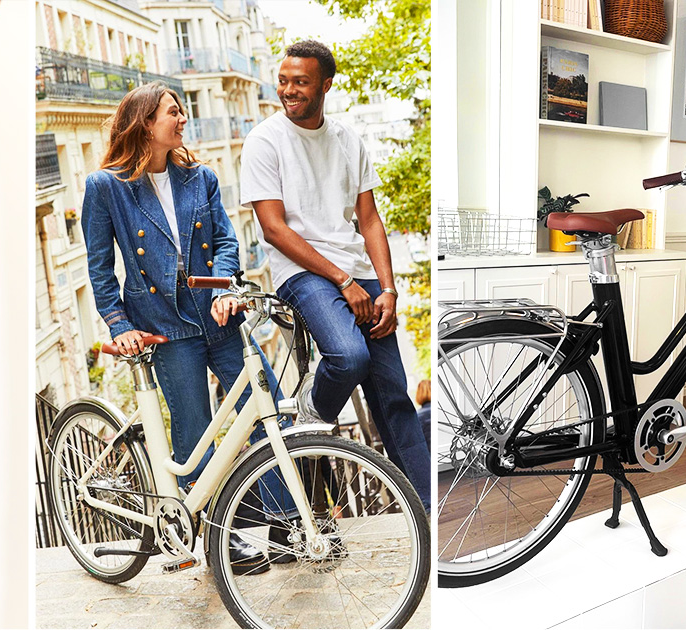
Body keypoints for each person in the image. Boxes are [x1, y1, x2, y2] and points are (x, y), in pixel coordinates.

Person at [82, 82, 291, 574]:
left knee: (271, 415)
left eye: (181, 111)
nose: (182, 119)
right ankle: (225, 540)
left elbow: (225, 241)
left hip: (221, 318)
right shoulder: (106, 186)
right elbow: (99, 266)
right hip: (165, 326)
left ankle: (288, 523)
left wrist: (223, 288)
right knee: (196, 433)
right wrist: (118, 322)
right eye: (173, 112)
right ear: (144, 123)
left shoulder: (201, 177)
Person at [240, 41, 432, 509]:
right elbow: (273, 229)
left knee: (394, 397)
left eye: (300, 82)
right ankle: (308, 416)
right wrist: (343, 281)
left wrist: (387, 289)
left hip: (358, 272)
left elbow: (369, 220)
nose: (288, 90)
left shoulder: (348, 140)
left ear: (326, 85)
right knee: (349, 357)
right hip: (303, 272)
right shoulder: (264, 140)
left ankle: (428, 508)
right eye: (283, 80)